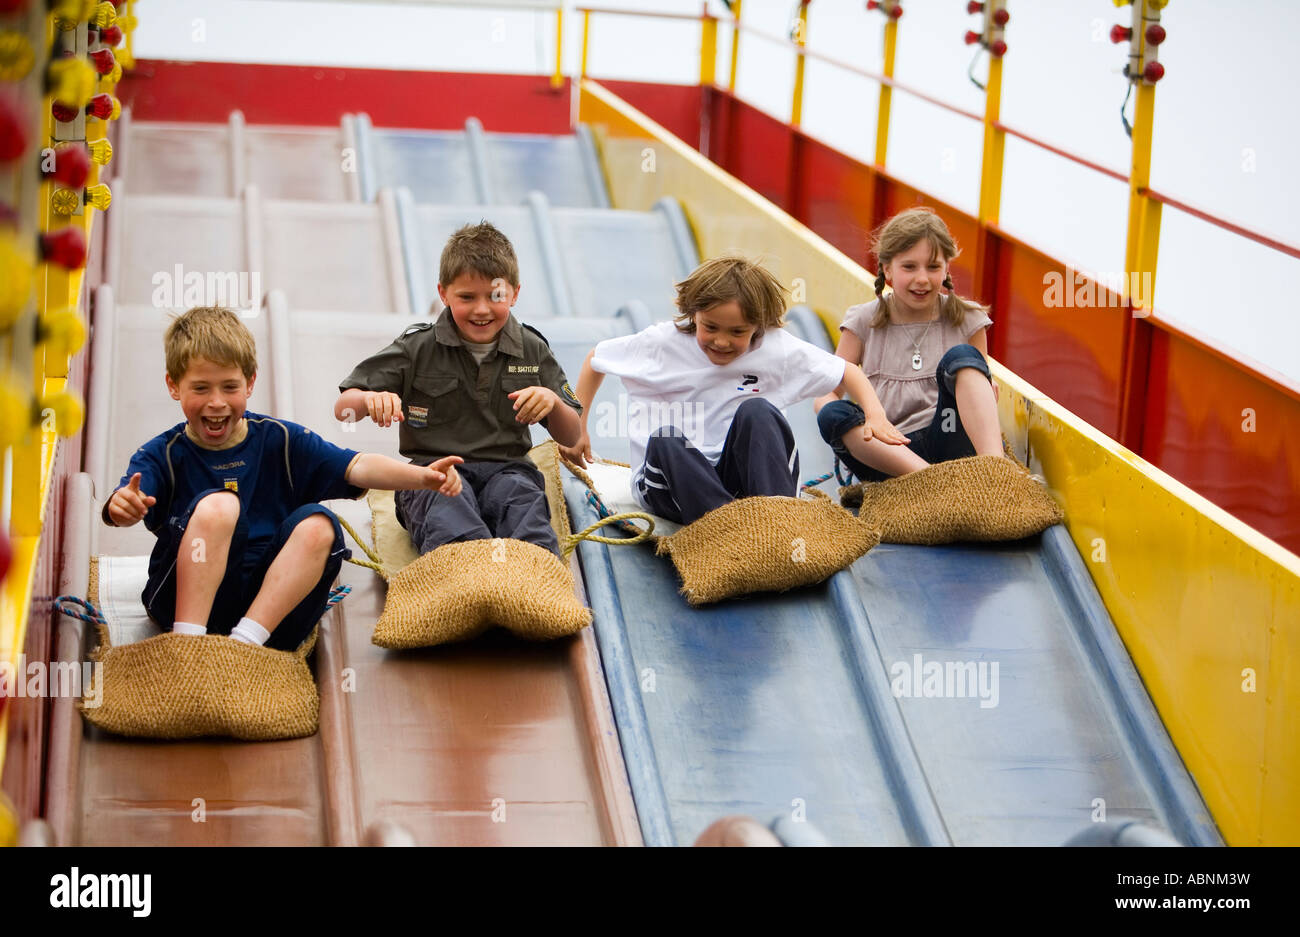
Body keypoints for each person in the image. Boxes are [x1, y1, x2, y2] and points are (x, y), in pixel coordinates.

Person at [104, 306, 463, 652]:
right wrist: (122, 506)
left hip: (270, 614)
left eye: (229, 387)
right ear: (174, 386)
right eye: (201, 389)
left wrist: (424, 476)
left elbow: (357, 466)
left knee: (321, 524)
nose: (216, 402)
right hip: (185, 602)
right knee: (220, 506)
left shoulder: (281, 440)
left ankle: (245, 646)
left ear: (250, 383)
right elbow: (126, 499)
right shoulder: (162, 454)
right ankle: (189, 646)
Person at [561, 255, 907, 525]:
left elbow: (847, 371)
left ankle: (774, 516)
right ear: (693, 313)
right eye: (710, 327)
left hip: (742, 482)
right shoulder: (661, 343)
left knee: (757, 411)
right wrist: (578, 424)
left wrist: (875, 415)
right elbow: (596, 360)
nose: (722, 341)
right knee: (665, 437)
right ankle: (729, 527)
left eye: (738, 332)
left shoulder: (774, 349)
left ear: (759, 326)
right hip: (673, 488)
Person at [335, 221, 582, 555]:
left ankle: (529, 586)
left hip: (508, 471)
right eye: (466, 297)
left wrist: (552, 402)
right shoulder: (418, 347)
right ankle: (465, 577)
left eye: (495, 296)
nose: (481, 309)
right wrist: (369, 399)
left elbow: (571, 436)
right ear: (443, 293)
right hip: (435, 472)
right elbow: (344, 410)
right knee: (447, 512)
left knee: (525, 511)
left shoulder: (531, 348)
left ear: (514, 293)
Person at [815, 207, 1005, 481]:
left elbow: (980, 383)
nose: (922, 279)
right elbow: (827, 394)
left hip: (949, 438)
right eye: (909, 266)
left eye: (933, 267)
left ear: (946, 268)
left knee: (964, 356)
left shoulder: (967, 318)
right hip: (888, 454)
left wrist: (985, 389)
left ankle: (995, 473)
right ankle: (927, 480)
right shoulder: (863, 321)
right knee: (832, 413)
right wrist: (871, 414)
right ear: (887, 269)